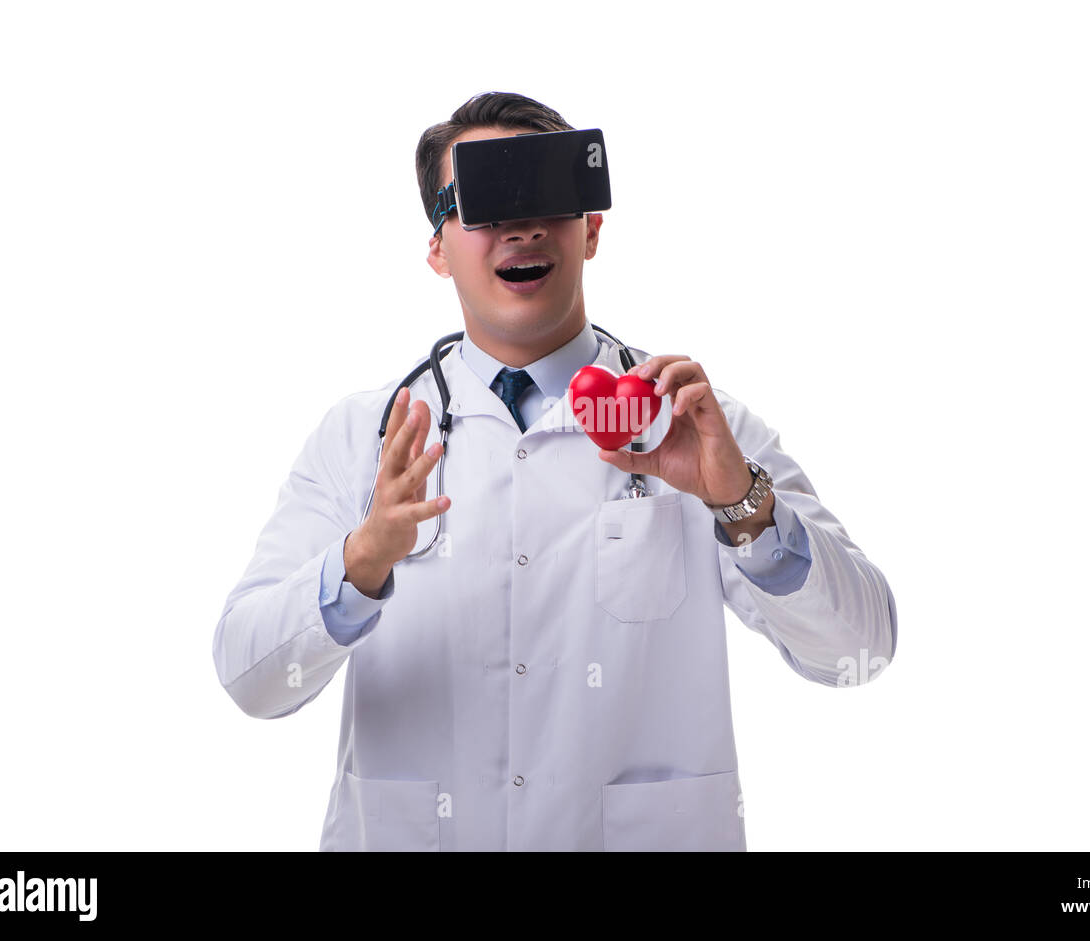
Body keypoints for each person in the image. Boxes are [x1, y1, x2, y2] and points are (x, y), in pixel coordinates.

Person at [212, 91, 898, 851]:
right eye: (482, 201)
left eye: (545, 196)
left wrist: (743, 507)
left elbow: (857, 651)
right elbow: (250, 678)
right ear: (437, 247)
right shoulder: (364, 437)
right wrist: (360, 562)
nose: (520, 226)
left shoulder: (702, 426)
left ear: (591, 228)